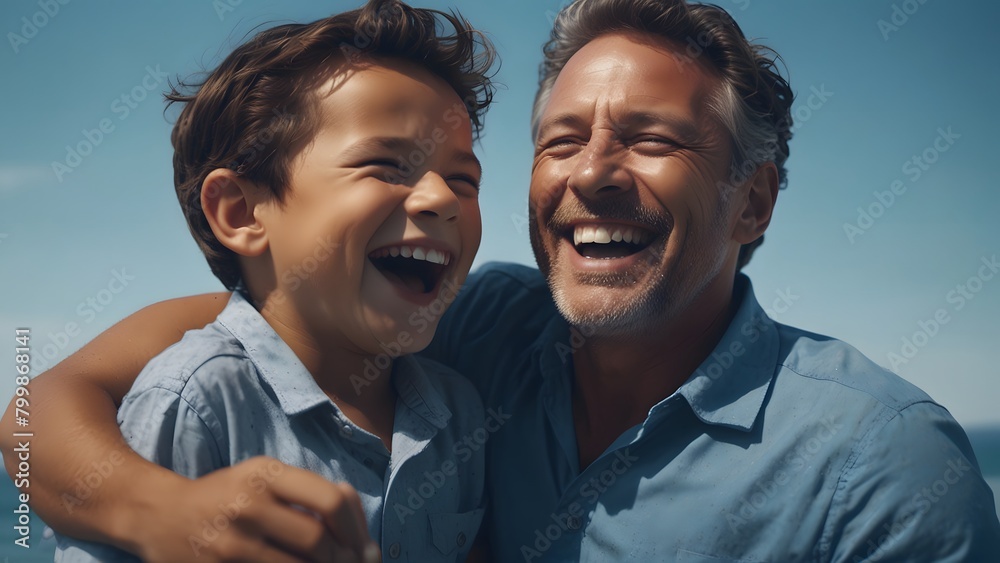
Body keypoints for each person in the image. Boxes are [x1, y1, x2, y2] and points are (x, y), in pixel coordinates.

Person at [4, 0, 999, 562]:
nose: (591, 172)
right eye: (559, 139)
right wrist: (160, 512)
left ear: (754, 203)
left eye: (651, 139)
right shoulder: (468, 323)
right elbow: (43, 404)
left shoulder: (882, 466)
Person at [37, 1, 497, 561]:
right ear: (239, 213)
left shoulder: (462, 413)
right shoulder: (196, 400)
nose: (443, 199)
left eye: (462, 179)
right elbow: (33, 411)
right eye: (385, 164)